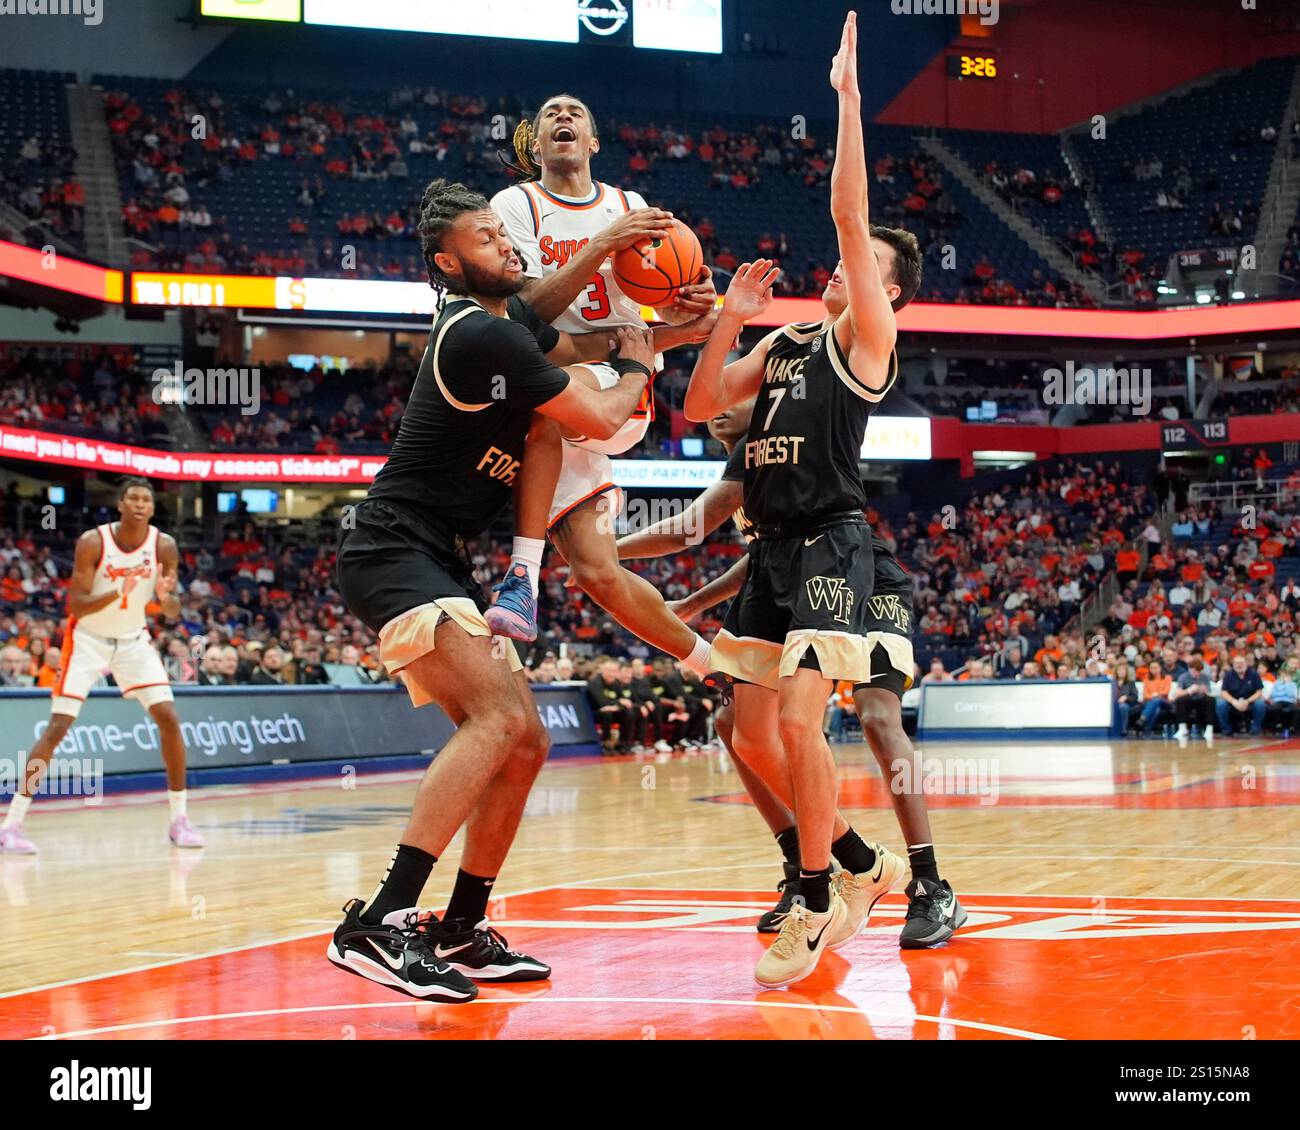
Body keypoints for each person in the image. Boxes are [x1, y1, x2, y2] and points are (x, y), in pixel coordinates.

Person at [680, 13, 960, 986]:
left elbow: (849, 218)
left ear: (886, 292)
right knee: (746, 732)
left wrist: (845, 99)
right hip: (771, 548)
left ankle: (810, 898)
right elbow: (701, 402)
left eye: (861, 266)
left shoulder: (863, 345)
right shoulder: (792, 343)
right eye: (846, 261)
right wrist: (727, 319)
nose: (841, 264)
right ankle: (860, 865)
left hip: (834, 544)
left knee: (806, 723)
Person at [328, 177, 653, 1001]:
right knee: (501, 716)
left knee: (529, 739)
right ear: (448, 262)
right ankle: (382, 919)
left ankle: (462, 926)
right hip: (393, 550)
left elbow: (562, 316)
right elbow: (601, 415)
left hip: (437, 557)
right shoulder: (480, 337)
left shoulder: (512, 329)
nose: (505, 243)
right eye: (486, 238)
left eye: (504, 235)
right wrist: (643, 360)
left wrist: (688, 316)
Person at [482, 92, 719, 689]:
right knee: (596, 571)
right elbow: (528, 312)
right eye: (549, 114)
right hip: (556, 387)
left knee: (547, 403)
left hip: (616, 383)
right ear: (535, 144)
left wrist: (686, 293)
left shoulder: (628, 202)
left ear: (593, 143)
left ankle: (521, 575)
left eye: (576, 113)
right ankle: (714, 666)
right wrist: (606, 244)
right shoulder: (515, 204)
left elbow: (659, 297)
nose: (562, 116)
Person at [0, 478, 204, 854]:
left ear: (153, 509)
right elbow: (76, 605)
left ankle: (179, 819)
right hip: (87, 640)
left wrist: (165, 596)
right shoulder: (94, 542)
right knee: (58, 727)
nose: (141, 504)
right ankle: (11, 824)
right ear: (121, 504)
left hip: (133, 641)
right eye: (134, 498)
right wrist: (118, 591)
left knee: (169, 719)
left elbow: (173, 612)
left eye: (147, 499)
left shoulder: (164, 546)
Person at [1215, 654, 1266, 736]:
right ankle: (1226, 729)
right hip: (1233, 702)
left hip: (1250, 701)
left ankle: (1255, 729)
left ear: (1246, 663)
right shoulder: (1228, 675)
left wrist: (1248, 701)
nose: (1239, 665)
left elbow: (1259, 692)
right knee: (1220, 704)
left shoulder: (1253, 674)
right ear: (1233, 664)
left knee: (1260, 704)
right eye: (1237, 663)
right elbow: (1223, 692)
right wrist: (1234, 702)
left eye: (1241, 663)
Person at [1170, 655, 1214, 741]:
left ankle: (1209, 728)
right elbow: (1177, 694)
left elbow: (1209, 692)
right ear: (1189, 669)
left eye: (1198, 671)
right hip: (1188, 700)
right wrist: (1189, 690)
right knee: (1180, 700)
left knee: (1211, 700)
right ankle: (1182, 728)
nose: (1196, 674)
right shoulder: (1183, 677)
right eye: (1194, 671)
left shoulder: (1205, 677)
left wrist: (1203, 690)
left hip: (1201, 700)